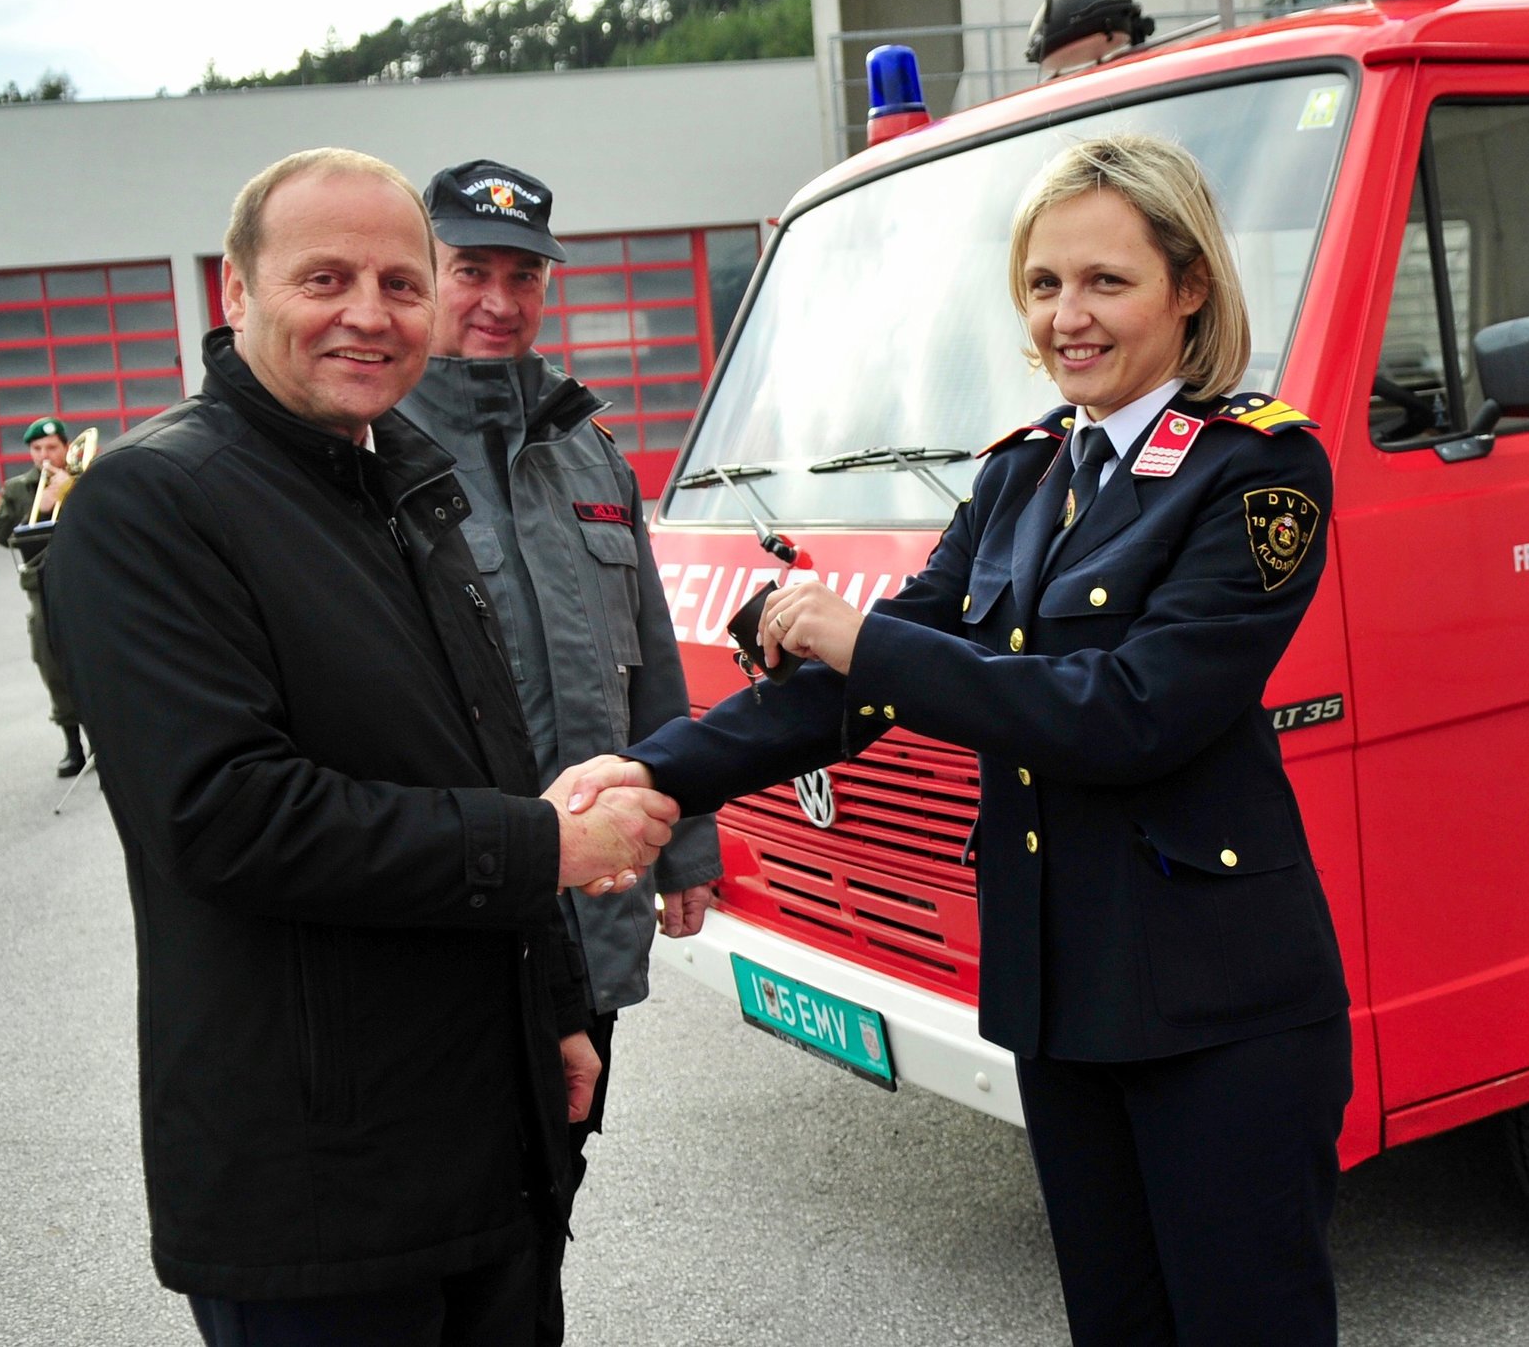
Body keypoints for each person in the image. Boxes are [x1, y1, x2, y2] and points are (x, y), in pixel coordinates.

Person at [563, 134, 1352, 1344]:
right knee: (1116, 1324)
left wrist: (863, 641)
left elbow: (1128, 712)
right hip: (1061, 995)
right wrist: (656, 768)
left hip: (1217, 1010)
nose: (1066, 316)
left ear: (1189, 286)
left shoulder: (1257, 472)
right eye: (1042, 284)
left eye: (1105, 281)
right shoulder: (1022, 475)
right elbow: (857, 690)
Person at [46, 147, 677, 1347]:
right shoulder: (154, 503)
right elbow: (227, 814)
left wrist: (553, 1003)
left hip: (487, 1129)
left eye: (398, 283)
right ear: (238, 290)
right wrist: (545, 845)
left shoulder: (398, 481)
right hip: (321, 1176)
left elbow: (485, 755)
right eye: (325, 278)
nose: (371, 314)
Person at [401, 157, 722, 1343]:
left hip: (589, 907)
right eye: (469, 270)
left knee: (552, 1186)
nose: (499, 299)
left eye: (523, 274)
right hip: (458, 910)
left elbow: (651, 663)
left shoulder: (588, 451)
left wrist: (687, 841)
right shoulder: (373, 451)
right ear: (421, 274)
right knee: (463, 1214)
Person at [0, 415, 85, 776]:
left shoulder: (84, 479)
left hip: (85, 583)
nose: (45, 455)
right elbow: (0, 533)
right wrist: (40, 507)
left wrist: (71, 491)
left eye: (52, 447)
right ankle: (73, 745)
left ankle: (104, 740)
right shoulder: (17, 489)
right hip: (41, 587)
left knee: (95, 660)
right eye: (37, 448)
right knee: (51, 662)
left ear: (65, 448)